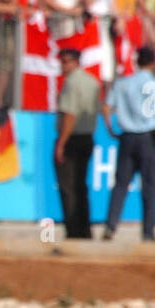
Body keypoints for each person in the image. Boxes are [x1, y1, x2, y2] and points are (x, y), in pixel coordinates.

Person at [102, 46, 155, 242]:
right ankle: (148, 232)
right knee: (149, 187)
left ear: (136, 62)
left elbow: (106, 107)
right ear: (153, 63)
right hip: (148, 139)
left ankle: (110, 227)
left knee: (121, 185)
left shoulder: (122, 84)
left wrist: (111, 130)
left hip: (127, 137)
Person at [54, 47, 99, 240]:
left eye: (65, 62)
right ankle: (85, 229)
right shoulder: (92, 82)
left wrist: (61, 144)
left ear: (75, 62)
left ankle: (73, 230)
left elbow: (70, 115)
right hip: (87, 137)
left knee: (68, 187)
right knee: (81, 186)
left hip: (72, 138)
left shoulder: (71, 83)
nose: (62, 66)